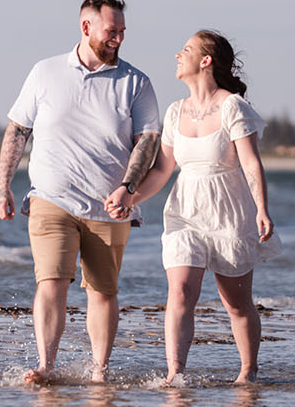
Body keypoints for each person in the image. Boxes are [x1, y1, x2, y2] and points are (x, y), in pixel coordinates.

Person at [0, 0, 162, 384]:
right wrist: (3, 185)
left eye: (122, 31)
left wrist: (127, 188)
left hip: (110, 205)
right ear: (86, 27)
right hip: (51, 199)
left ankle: (100, 371)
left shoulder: (135, 82)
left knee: (103, 291)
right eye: (111, 31)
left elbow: (148, 141)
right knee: (51, 280)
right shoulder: (45, 72)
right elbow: (18, 130)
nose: (118, 38)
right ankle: (46, 365)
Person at [112, 30, 279, 384]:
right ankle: (176, 372)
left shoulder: (233, 106)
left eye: (186, 50)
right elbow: (162, 171)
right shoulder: (175, 112)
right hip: (185, 211)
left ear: (205, 60)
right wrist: (130, 197)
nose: (177, 54)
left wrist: (262, 209)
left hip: (229, 213)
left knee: (236, 303)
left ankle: (248, 371)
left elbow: (251, 164)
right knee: (181, 291)